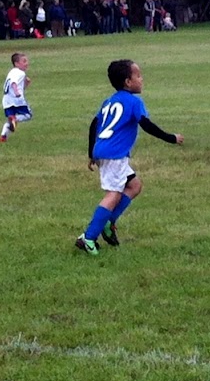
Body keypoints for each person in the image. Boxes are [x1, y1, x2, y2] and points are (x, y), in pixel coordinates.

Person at [76, 59, 184, 255]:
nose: (142, 79)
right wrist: (171, 138)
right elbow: (147, 125)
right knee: (113, 194)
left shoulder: (109, 101)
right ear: (128, 82)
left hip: (106, 152)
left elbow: (94, 124)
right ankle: (89, 237)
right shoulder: (134, 102)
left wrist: (92, 151)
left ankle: (109, 222)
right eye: (138, 76)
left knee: (134, 186)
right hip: (114, 155)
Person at [0, 51, 32, 142]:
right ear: (17, 64)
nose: (27, 63)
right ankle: (14, 119)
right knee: (28, 115)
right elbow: (14, 83)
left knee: (11, 121)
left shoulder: (12, 71)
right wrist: (17, 92)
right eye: (24, 61)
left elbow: (15, 82)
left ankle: (3, 136)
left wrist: (26, 83)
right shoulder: (20, 73)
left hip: (6, 100)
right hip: (17, 99)